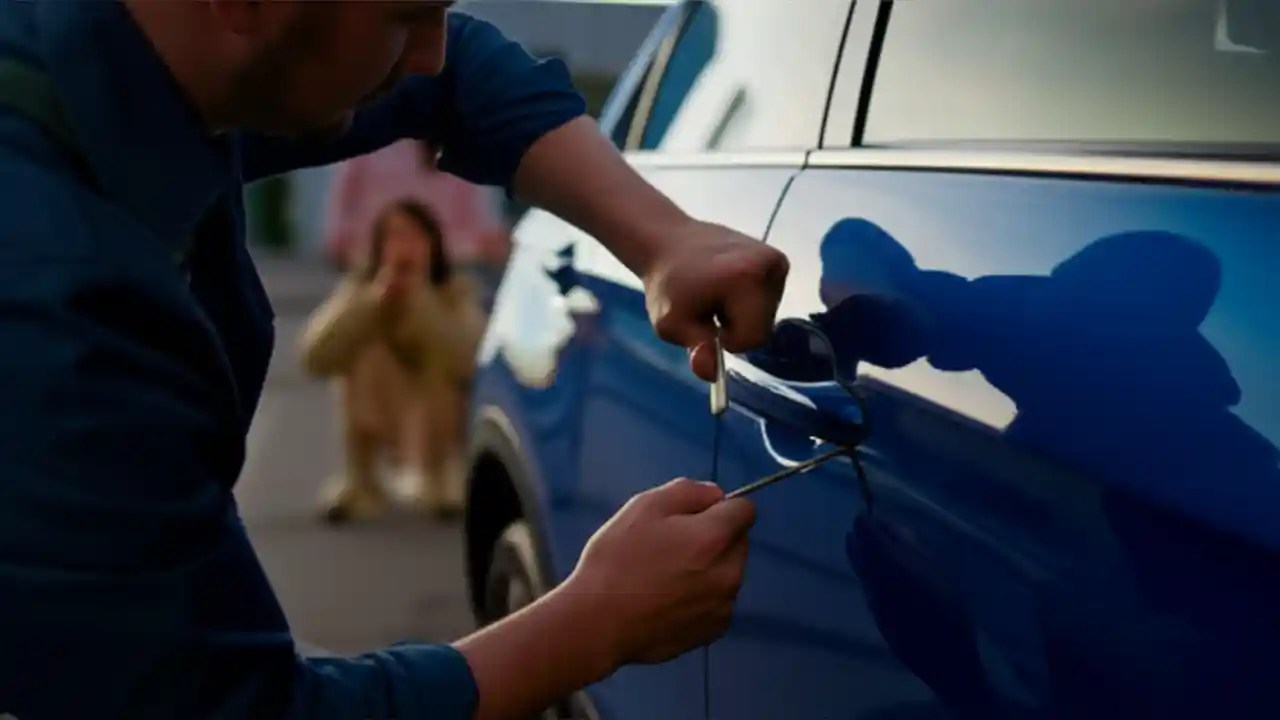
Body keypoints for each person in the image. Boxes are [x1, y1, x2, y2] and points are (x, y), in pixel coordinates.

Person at [0, 2, 789, 719]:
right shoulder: (51, 309)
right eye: (408, 14)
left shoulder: (159, 54)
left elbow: (458, 73)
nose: (428, 54)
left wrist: (665, 240)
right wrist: (593, 624)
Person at [301, 198, 484, 522]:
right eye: (394, 236)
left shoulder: (454, 294)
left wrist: (422, 304)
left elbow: (470, 361)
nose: (405, 247)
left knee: (443, 361)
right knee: (362, 351)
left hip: (434, 414)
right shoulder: (360, 290)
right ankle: (361, 479)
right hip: (379, 409)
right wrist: (371, 304)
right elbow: (314, 357)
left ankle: (441, 473)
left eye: (415, 236)